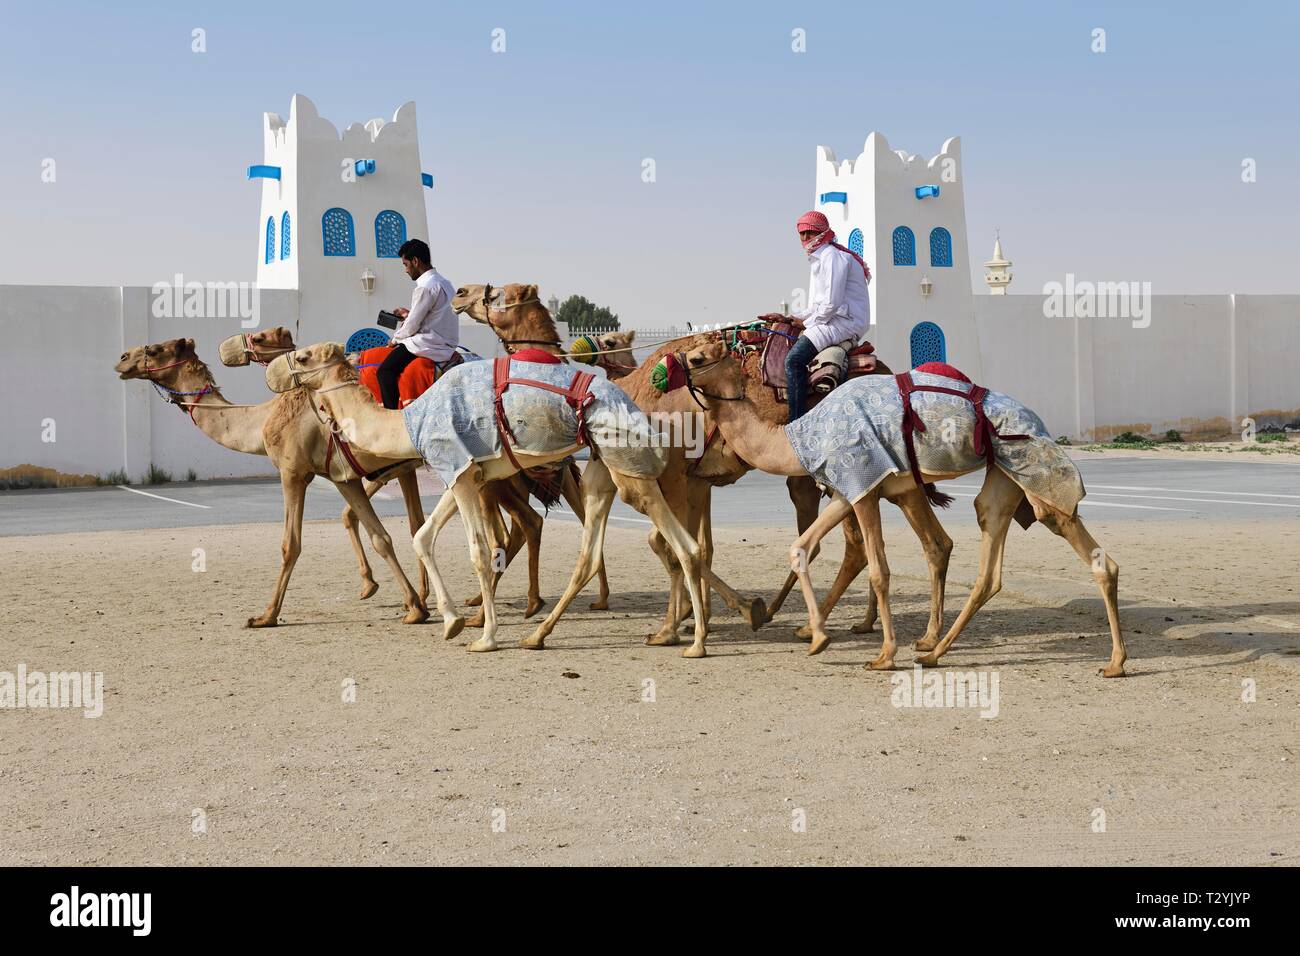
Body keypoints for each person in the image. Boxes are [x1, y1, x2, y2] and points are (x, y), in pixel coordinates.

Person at [785, 211, 871, 422]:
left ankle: (797, 422)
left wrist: (806, 323)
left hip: (846, 321)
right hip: (836, 317)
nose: (805, 238)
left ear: (822, 233)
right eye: (802, 234)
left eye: (810, 233)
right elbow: (818, 304)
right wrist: (791, 317)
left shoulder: (832, 257)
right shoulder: (821, 259)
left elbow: (831, 303)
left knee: (794, 361)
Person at [378, 239, 459, 409]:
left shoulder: (425, 287)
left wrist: (394, 340)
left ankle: (391, 417)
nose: (406, 270)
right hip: (447, 344)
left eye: (406, 264)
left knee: (384, 372)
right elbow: (435, 314)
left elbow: (411, 326)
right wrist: (408, 313)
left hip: (427, 343)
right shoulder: (446, 283)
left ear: (415, 261)